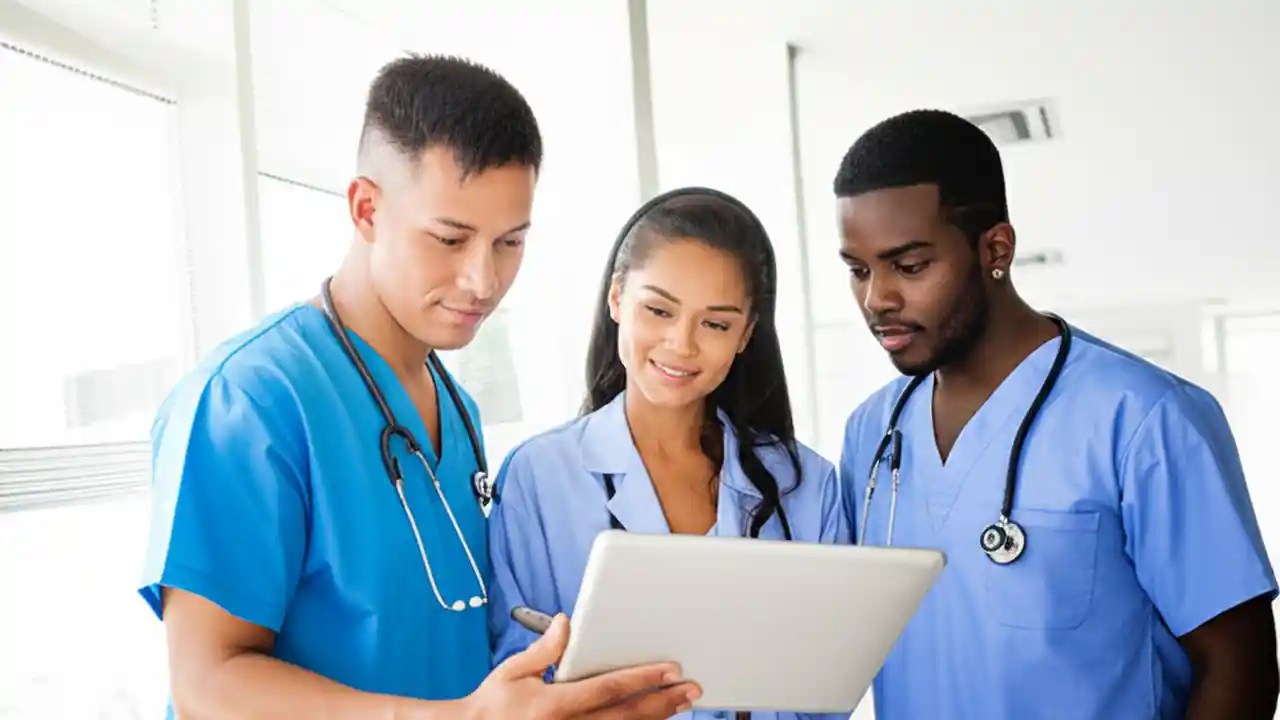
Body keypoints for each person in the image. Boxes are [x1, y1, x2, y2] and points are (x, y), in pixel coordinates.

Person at [137, 54, 699, 719]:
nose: (483, 280)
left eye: (509, 242)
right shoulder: (248, 400)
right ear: (367, 208)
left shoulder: (456, 410)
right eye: (450, 238)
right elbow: (209, 684)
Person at [832, 108, 1279, 718]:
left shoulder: (1143, 418)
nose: (876, 298)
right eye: (858, 270)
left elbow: (1239, 669)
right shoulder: (872, 435)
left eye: (910, 267)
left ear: (995, 248)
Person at [487, 187, 850, 720]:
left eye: (716, 324)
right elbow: (521, 678)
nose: (682, 344)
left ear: (746, 334)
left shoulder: (807, 484)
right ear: (617, 299)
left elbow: (827, 681)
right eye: (658, 309)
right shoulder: (539, 477)